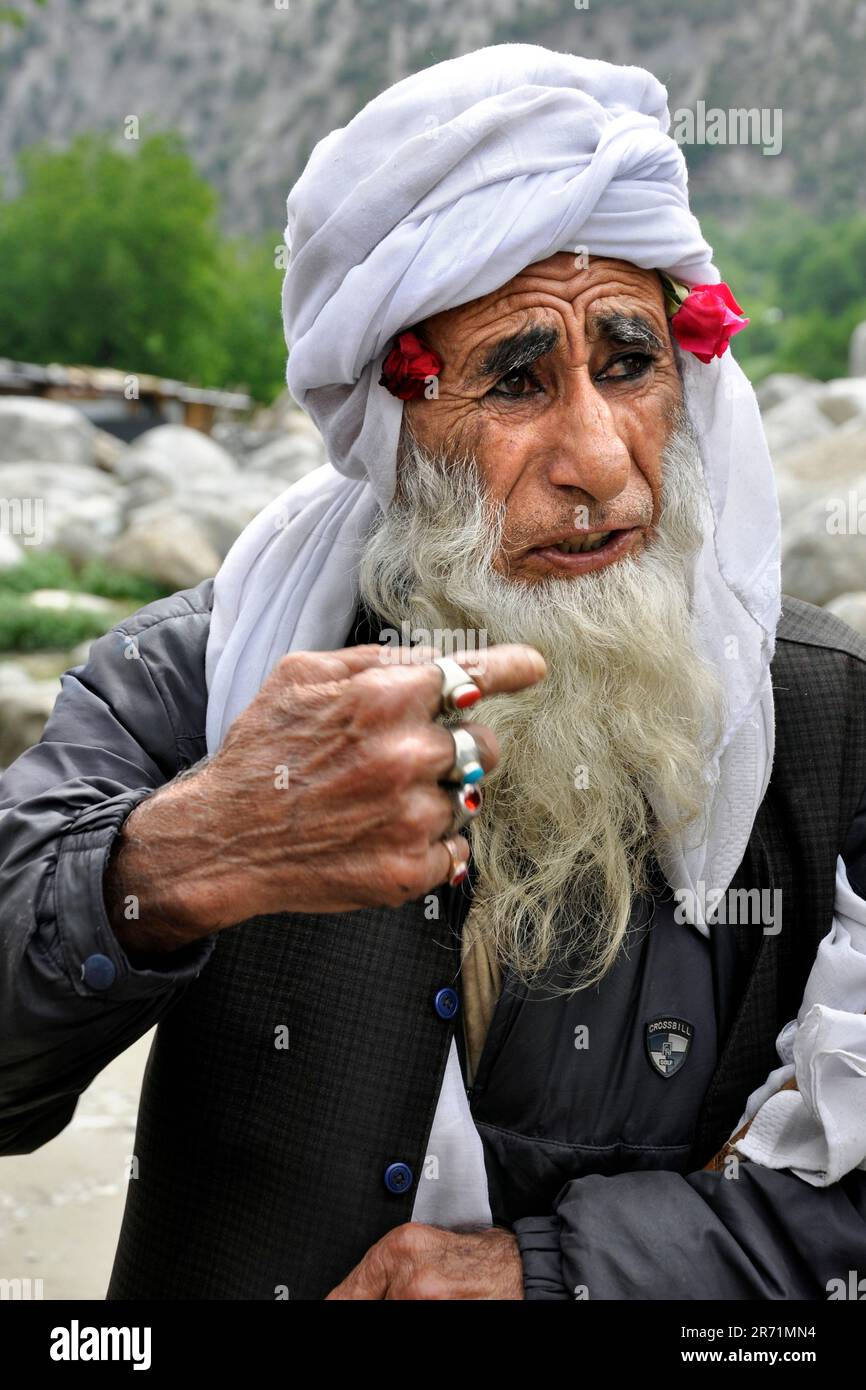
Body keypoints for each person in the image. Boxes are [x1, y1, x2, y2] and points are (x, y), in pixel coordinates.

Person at [1, 44, 865, 1301]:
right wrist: (185, 856)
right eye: (514, 379)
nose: (600, 464)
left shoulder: (831, 716)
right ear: (394, 431)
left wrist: (557, 1275)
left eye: (628, 364)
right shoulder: (200, 675)